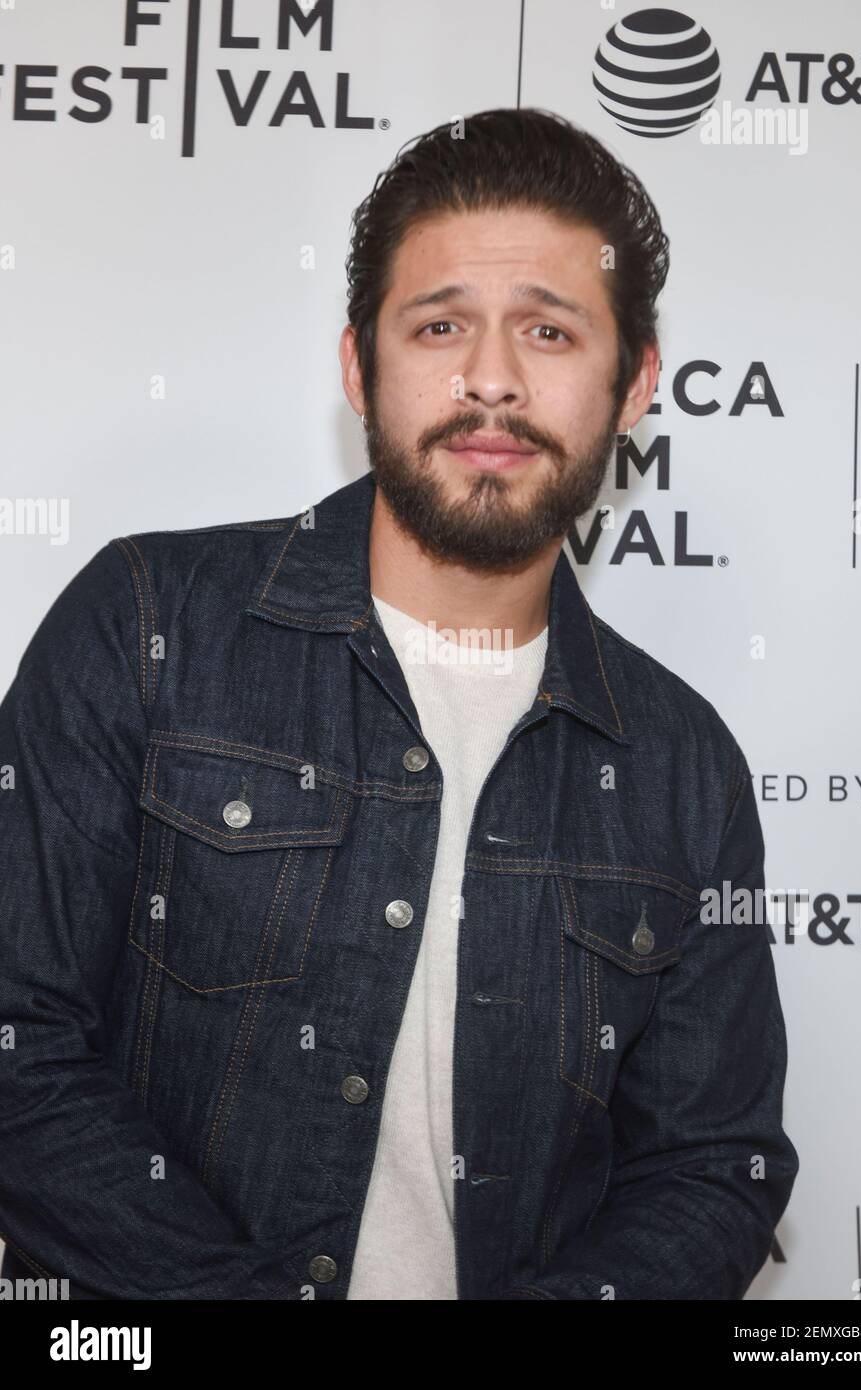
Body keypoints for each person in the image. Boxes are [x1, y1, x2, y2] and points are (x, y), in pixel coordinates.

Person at [0, 108, 797, 1300]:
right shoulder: (145, 625)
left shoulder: (683, 766)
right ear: (357, 365)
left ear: (633, 386)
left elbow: (707, 1167)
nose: (492, 379)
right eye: (441, 325)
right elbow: (20, 1045)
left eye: (547, 328)